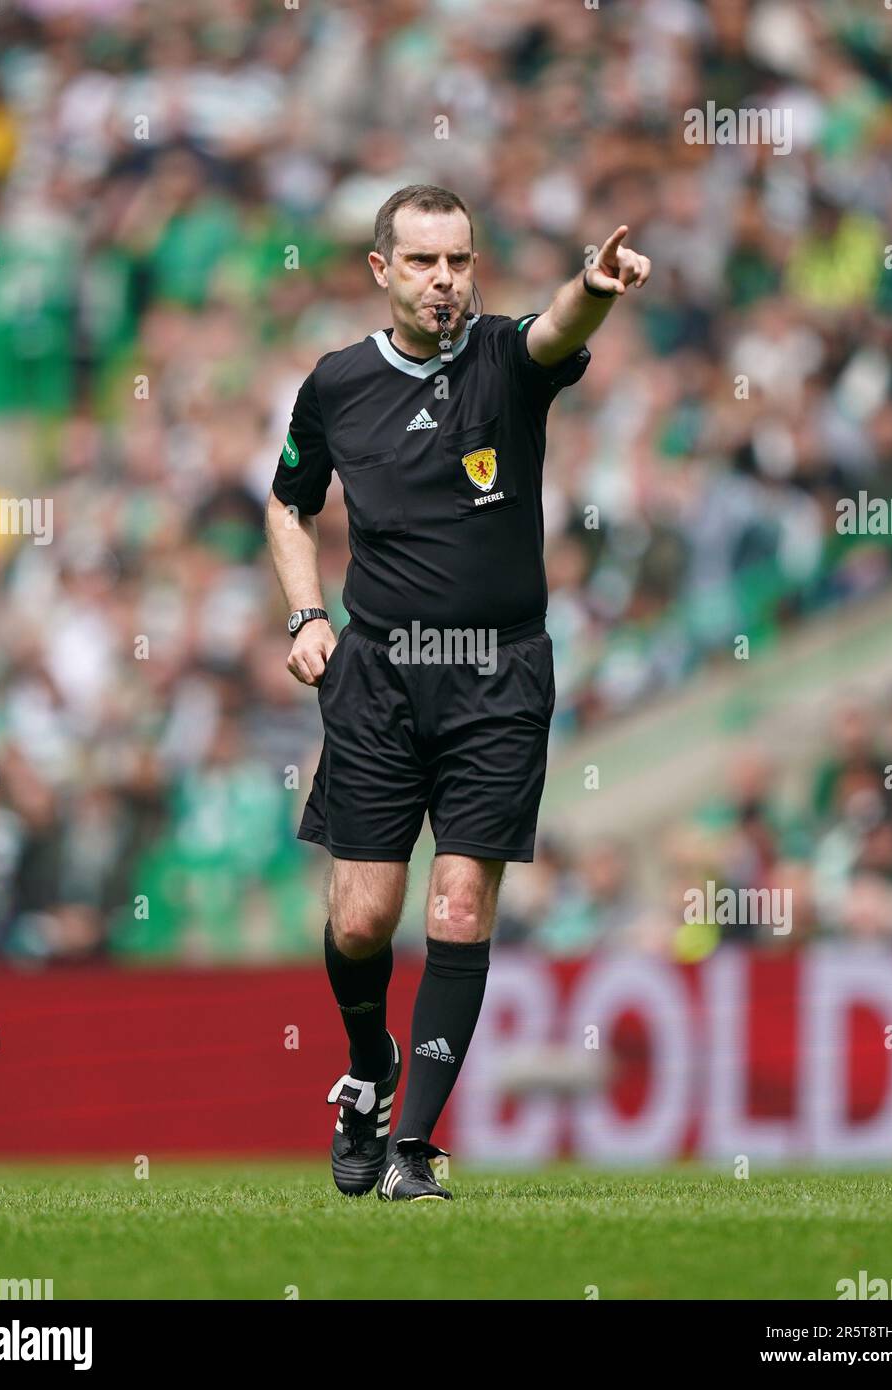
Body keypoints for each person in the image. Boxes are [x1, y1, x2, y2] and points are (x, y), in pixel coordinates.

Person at [265, 184, 650, 1200]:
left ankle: (414, 1151)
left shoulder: (502, 362)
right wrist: (307, 617)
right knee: (359, 919)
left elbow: (556, 324)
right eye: (425, 261)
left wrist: (592, 285)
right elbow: (288, 504)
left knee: (460, 899)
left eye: (460, 261)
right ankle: (369, 1069)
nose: (445, 280)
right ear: (380, 270)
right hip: (378, 674)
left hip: (497, 673)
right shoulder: (336, 384)